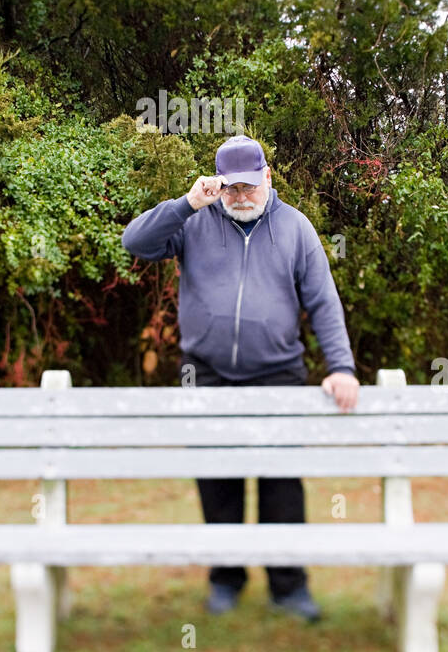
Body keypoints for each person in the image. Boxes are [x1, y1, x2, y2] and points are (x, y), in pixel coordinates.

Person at [121, 133, 359, 621]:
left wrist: (341, 367)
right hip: (203, 373)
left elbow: (323, 303)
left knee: (280, 484)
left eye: (250, 186)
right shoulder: (193, 221)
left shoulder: (296, 229)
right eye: (231, 188)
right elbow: (135, 243)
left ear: (268, 178)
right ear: (216, 184)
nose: (241, 197)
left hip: (278, 373)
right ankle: (226, 579)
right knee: (217, 479)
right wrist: (186, 203)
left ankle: (289, 588)